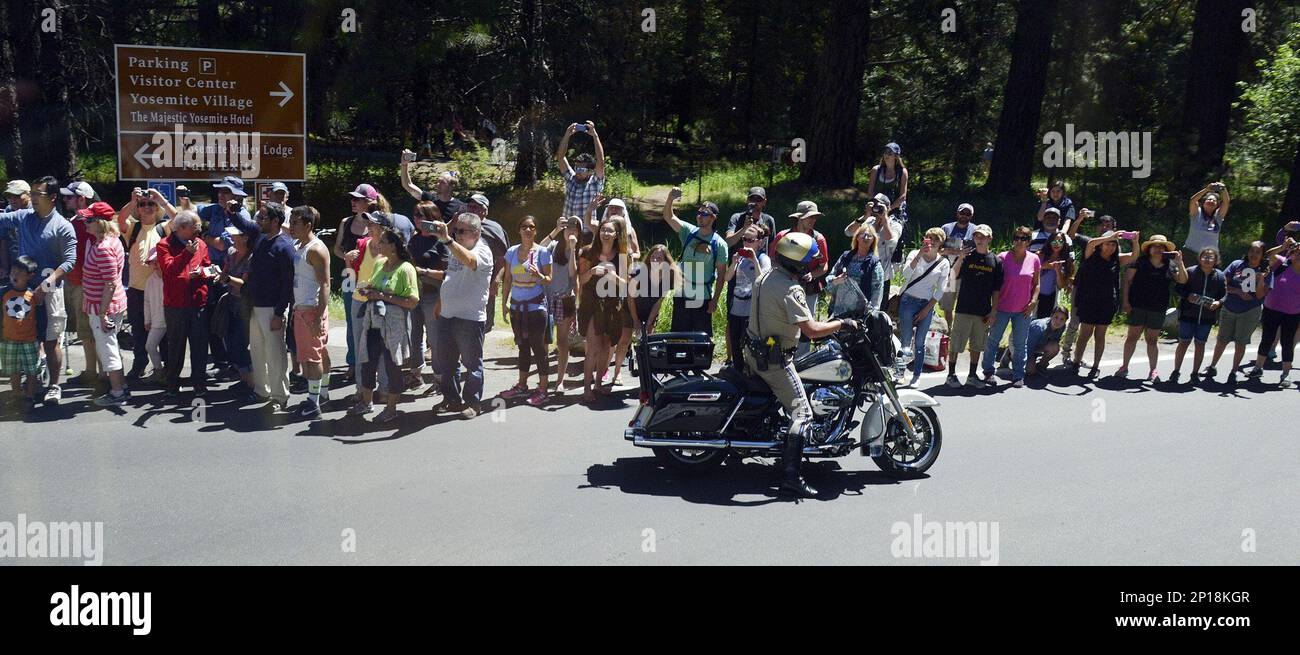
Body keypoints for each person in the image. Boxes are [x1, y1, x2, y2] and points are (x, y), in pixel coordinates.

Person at [745, 231, 856, 499]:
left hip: (755, 351)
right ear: (796, 263)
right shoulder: (790, 289)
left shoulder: (767, 275)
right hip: (775, 361)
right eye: (808, 262)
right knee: (803, 414)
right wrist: (843, 323)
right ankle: (791, 478)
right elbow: (813, 330)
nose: (812, 266)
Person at [0, 176, 76, 405]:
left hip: (50, 291)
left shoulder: (63, 226)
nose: (31, 198)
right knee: (24, 337)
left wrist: (47, 284)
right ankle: (30, 384)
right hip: (23, 291)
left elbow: (70, 261)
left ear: (52, 198)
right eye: (31, 194)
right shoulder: (24, 217)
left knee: (52, 340)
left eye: (37, 194)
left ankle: (54, 385)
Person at [349, 228, 419, 423]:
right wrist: (369, 290)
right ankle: (366, 402)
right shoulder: (380, 263)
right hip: (373, 321)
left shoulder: (406, 268)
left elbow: (413, 301)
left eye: (382, 242)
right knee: (367, 362)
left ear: (393, 246)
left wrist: (382, 296)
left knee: (392, 366)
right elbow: (375, 286)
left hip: (393, 324)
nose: (378, 245)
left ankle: (391, 408)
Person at [434, 213, 495, 419]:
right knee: (447, 363)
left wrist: (448, 240)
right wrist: (441, 303)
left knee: (472, 364)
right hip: (447, 314)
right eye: (455, 230)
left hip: (470, 318)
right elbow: (451, 277)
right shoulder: (456, 248)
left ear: (476, 233)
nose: (457, 235)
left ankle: (473, 403)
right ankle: (451, 399)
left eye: (462, 231)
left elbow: (469, 261)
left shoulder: (483, 250)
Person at [197, 176, 256, 373]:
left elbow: (222, 244)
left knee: (235, 322)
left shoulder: (242, 217)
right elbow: (192, 214)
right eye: (220, 191)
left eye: (226, 191)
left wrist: (204, 236)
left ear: (237, 196)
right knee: (217, 316)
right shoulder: (214, 209)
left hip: (235, 272)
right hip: (216, 269)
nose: (221, 195)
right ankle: (224, 361)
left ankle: (238, 366)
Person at [117, 187, 175, 379]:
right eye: (143, 204)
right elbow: (120, 220)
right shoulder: (133, 228)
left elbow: (180, 221)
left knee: (163, 332)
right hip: (136, 289)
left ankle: (166, 367)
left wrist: (162, 200)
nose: (147, 207)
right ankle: (139, 364)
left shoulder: (164, 227)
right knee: (138, 331)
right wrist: (132, 201)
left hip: (160, 290)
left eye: (151, 204)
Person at [156, 211, 214, 398]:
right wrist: (186, 254)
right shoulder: (164, 245)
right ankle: (172, 383)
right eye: (194, 226)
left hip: (198, 302)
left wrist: (203, 274)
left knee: (199, 346)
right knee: (176, 346)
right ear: (181, 228)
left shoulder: (202, 244)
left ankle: (199, 382)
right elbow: (170, 269)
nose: (199, 229)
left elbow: (209, 267)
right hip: (176, 305)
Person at [245, 202, 296, 411]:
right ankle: (262, 390)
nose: (258, 221)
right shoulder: (260, 240)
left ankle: (280, 396)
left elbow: (287, 284)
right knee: (257, 351)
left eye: (263, 218)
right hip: (255, 306)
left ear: (276, 221)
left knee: (275, 355)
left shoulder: (284, 246)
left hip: (272, 308)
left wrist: (279, 312)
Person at [1117, 234, 1188, 382]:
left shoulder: (1170, 264)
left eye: (1161, 247)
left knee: (1152, 340)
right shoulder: (1139, 262)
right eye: (1155, 246)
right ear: (1149, 248)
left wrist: (1179, 263)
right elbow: (1127, 281)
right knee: (1132, 337)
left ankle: (1153, 370)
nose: (1158, 249)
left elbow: (1183, 280)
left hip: (1158, 308)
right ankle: (1124, 366)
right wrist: (1125, 302)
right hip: (1138, 305)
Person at [500, 215, 555, 406]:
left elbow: (549, 279)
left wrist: (538, 274)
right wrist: (504, 303)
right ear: (519, 230)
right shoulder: (512, 252)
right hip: (517, 307)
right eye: (524, 226)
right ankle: (522, 385)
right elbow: (507, 279)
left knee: (539, 348)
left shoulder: (543, 252)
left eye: (532, 227)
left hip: (536, 307)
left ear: (536, 231)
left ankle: (543, 389)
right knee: (522, 347)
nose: (528, 230)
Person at [1072, 230, 1140, 377]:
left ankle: (1095, 366)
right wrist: (1110, 236)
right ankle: (1076, 362)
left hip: (1107, 302)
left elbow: (1134, 256)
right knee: (1084, 333)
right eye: (1107, 244)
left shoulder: (1116, 259)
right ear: (1101, 244)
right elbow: (1090, 243)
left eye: (1113, 245)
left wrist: (1135, 241)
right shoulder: (1091, 255)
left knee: (1100, 335)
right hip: (1088, 300)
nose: (1110, 247)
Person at [980, 226, 1041, 388]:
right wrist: (992, 308)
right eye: (1017, 238)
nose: (1019, 242)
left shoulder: (1034, 259)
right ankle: (988, 371)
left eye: (1024, 239)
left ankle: (1018, 374)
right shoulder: (1002, 257)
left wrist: (1033, 301)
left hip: (1023, 310)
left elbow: (1036, 284)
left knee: (1021, 343)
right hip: (1001, 307)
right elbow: (994, 284)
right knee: (993, 340)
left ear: (1029, 242)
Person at [662, 186, 727, 335]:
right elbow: (668, 216)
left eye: (705, 214)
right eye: (699, 213)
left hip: (702, 296)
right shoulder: (688, 231)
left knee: (699, 342)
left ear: (713, 218)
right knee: (678, 338)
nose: (700, 216)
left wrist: (715, 300)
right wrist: (670, 198)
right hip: (682, 293)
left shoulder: (719, 244)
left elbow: (721, 275)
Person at [578, 217, 630, 402]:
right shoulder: (587, 252)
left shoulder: (622, 256)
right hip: (592, 304)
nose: (605, 234)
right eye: (603, 230)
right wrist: (591, 272)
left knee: (607, 346)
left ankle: (598, 384)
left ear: (616, 235)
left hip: (612, 304)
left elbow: (626, 285)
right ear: (598, 232)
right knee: (592, 347)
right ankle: (586, 388)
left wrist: (613, 275)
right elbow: (581, 280)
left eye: (610, 231)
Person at [80, 215, 130, 406]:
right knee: (111, 347)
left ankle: (117, 393)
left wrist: (102, 314)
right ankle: (121, 387)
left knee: (108, 350)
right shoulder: (111, 240)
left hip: (103, 307)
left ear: (99, 222)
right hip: (108, 305)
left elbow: (109, 284)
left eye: (88, 220)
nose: (85, 224)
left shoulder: (103, 248)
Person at [289, 206, 332, 418]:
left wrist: (318, 316)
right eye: (290, 221)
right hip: (301, 309)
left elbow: (325, 284)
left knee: (313, 359)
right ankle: (322, 395)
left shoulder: (316, 249)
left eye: (295, 222)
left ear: (308, 225)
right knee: (318, 354)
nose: (291, 226)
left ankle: (314, 402)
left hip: (311, 311)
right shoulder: (301, 246)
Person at [945, 224, 1000, 388]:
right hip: (964, 308)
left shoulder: (996, 261)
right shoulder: (967, 256)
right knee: (956, 343)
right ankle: (951, 375)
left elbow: (997, 289)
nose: (979, 239)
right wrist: (960, 258)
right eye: (977, 236)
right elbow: (953, 275)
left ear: (990, 238)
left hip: (983, 310)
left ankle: (971, 375)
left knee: (977, 345)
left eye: (983, 236)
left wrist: (993, 310)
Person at [1206, 241, 1270, 381]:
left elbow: (1260, 295)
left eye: (1257, 252)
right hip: (1229, 308)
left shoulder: (1266, 271)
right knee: (1222, 340)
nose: (1253, 254)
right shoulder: (1237, 264)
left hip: (1250, 311)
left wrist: (1261, 280)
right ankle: (1212, 367)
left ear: (1262, 255)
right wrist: (1238, 292)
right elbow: (1222, 283)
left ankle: (1233, 372)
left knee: (1240, 342)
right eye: (1251, 251)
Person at [59, 181, 100, 389]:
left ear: (81, 198)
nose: (65, 200)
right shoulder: (81, 219)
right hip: (78, 280)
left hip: (85, 282)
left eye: (69, 197)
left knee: (89, 329)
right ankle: (93, 371)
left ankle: (98, 374)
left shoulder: (84, 220)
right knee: (87, 329)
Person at [1059, 208, 1114, 365]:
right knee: (1075, 322)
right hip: (1082, 288)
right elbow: (1069, 236)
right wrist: (1079, 219)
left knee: (1089, 328)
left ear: (1113, 229)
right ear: (1097, 228)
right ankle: (1066, 355)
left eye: (1108, 225)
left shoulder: (1114, 248)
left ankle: (1078, 357)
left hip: (1100, 294)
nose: (1104, 227)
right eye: (1102, 225)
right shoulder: (1089, 241)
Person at [333, 183, 378, 376]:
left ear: (369, 202)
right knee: (352, 324)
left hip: (372, 280)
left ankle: (373, 363)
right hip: (350, 278)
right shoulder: (346, 222)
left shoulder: (377, 222)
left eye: (357, 199)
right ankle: (353, 363)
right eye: (352, 198)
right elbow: (336, 248)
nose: (353, 202)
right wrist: (345, 256)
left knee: (374, 323)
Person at [897, 228, 951, 387]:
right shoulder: (914, 254)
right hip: (908, 300)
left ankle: (916, 375)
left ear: (941, 242)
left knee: (920, 342)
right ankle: (900, 372)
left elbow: (941, 289)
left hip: (926, 304)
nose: (931, 241)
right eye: (928, 238)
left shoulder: (943, 262)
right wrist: (920, 254)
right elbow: (906, 274)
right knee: (906, 340)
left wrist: (927, 309)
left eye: (935, 239)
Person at [407, 202, 450, 390]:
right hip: (414, 294)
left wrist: (423, 271)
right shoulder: (414, 239)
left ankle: (439, 379)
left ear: (431, 218)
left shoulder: (441, 242)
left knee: (434, 338)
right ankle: (415, 374)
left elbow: (447, 274)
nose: (416, 219)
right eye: (415, 215)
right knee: (413, 336)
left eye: (420, 215)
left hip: (434, 295)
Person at [1245, 239, 1299, 386]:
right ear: (1292, 254)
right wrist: (1283, 246)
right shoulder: (1282, 263)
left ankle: (1285, 374)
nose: (1298, 255)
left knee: (1287, 343)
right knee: (1266, 339)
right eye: (1296, 253)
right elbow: (1268, 255)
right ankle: (1257, 368)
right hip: (1271, 309)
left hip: (1292, 314)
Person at [1171, 247, 1227, 383]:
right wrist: (1187, 296)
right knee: (1183, 343)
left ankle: (1195, 373)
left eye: (1210, 257)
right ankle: (1176, 371)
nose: (1207, 259)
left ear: (1216, 260)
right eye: (1204, 256)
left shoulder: (1220, 276)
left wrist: (1219, 303)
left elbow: (1225, 294)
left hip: (1207, 317)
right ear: (1200, 258)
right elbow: (1178, 288)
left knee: (1200, 345)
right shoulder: (1190, 271)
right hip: (1188, 314)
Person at [539, 215, 582, 390]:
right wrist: (555, 230)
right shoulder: (553, 246)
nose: (571, 231)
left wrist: (572, 250)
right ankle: (543, 380)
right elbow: (538, 248)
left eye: (575, 228)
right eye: (568, 227)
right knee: (544, 341)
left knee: (562, 343)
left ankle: (559, 381)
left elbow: (573, 274)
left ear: (579, 233)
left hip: (565, 300)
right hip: (547, 300)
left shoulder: (579, 252)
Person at [213, 226, 253, 394]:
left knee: (240, 345)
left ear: (245, 238)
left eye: (234, 235)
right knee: (230, 343)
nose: (231, 238)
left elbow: (244, 284)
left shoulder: (252, 258)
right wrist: (218, 276)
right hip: (230, 302)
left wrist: (227, 278)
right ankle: (244, 379)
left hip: (245, 307)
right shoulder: (231, 252)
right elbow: (225, 273)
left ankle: (251, 383)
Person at [724, 225, 771, 368]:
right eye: (744, 239)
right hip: (736, 307)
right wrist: (733, 263)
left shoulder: (763, 259)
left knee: (750, 345)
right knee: (735, 342)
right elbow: (727, 278)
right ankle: (738, 369)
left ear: (760, 242)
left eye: (751, 240)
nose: (746, 243)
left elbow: (762, 281)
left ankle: (751, 370)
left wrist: (754, 260)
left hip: (751, 309)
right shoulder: (740, 258)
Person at [465, 193, 510, 333]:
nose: (471, 210)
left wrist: (496, 280)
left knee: (484, 322)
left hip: (485, 280)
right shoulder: (460, 226)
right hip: (464, 279)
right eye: (469, 207)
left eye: (475, 207)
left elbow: (504, 257)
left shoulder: (493, 228)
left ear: (485, 210)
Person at [1, 256, 42, 405]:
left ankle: (29, 396)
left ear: (30, 275)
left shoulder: (33, 295)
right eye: (13, 271)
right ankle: (16, 394)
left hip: (29, 340)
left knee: (32, 371)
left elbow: (41, 317)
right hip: (8, 339)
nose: (14, 275)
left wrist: (41, 336)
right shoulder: (3, 292)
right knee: (13, 370)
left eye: (19, 272)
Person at [554, 121, 607, 234]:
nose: (578, 172)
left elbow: (601, 161)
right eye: (576, 168)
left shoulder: (595, 183)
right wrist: (567, 135)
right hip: (567, 232)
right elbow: (560, 157)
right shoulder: (571, 179)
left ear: (590, 171)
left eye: (581, 169)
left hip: (586, 233)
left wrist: (595, 136)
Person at [846, 195, 900, 304]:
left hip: (882, 276)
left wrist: (884, 219)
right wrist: (865, 216)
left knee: (877, 312)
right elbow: (848, 232)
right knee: (857, 308)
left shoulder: (895, 224)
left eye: (880, 205)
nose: (877, 207)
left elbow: (892, 242)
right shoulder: (868, 220)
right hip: (861, 272)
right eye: (874, 204)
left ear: (888, 207)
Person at [771, 201, 830, 298]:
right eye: (810, 216)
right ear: (799, 217)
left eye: (815, 217)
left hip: (809, 289)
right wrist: (787, 274)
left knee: (806, 314)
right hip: (783, 287)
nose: (813, 220)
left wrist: (812, 274)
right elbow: (772, 260)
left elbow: (824, 266)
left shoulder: (819, 239)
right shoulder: (783, 236)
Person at [938, 203, 978, 325]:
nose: (964, 216)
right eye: (962, 213)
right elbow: (938, 250)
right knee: (947, 306)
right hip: (949, 274)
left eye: (967, 214)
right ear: (957, 213)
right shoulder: (946, 228)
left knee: (965, 305)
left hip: (967, 274)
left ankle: (960, 329)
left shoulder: (976, 230)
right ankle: (949, 329)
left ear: (971, 216)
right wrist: (956, 251)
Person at [830, 222, 884, 311]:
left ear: (873, 240)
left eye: (869, 236)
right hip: (837, 309)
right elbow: (829, 279)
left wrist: (872, 313)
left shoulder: (875, 263)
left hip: (859, 314)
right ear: (857, 237)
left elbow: (877, 292)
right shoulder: (845, 257)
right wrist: (836, 280)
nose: (866, 238)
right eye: (863, 234)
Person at [629, 245, 677, 339]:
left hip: (649, 311)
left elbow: (658, 303)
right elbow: (630, 298)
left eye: (659, 258)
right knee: (624, 340)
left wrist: (649, 323)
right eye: (653, 257)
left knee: (647, 340)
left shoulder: (667, 277)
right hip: (631, 308)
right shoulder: (638, 272)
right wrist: (635, 320)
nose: (655, 260)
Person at [867, 142, 909, 228]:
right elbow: (870, 192)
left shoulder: (902, 172)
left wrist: (888, 209)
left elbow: (903, 196)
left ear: (896, 156)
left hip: (894, 210)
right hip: (876, 209)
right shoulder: (876, 170)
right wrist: (876, 207)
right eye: (885, 152)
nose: (887, 155)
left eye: (890, 153)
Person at [725, 187, 777, 254]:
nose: (755, 203)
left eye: (758, 199)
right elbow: (728, 243)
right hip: (738, 261)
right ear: (747, 200)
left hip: (759, 262)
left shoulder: (769, 220)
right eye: (752, 199)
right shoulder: (737, 218)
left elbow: (772, 247)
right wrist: (744, 228)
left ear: (764, 202)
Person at [142, 250, 167, 384]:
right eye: (153, 262)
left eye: (158, 261)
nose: (156, 264)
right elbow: (147, 302)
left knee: (172, 349)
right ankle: (159, 370)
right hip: (157, 320)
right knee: (150, 345)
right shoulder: (150, 280)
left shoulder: (169, 277)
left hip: (171, 318)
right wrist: (148, 320)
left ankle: (170, 373)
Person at [1185, 182, 1230, 255]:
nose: (1211, 201)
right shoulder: (1197, 212)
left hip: (1210, 254)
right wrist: (1206, 190)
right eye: (1209, 199)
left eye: (1214, 200)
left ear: (1217, 205)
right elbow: (1192, 201)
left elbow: (1226, 202)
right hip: (1191, 252)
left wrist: (1223, 189)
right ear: (1203, 202)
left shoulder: (1218, 216)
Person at [1036, 232, 1074, 319]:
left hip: (1050, 296)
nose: (1056, 244)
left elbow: (1060, 286)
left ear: (1064, 244)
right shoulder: (1040, 255)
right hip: (1034, 293)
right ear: (1049, 242)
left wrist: (1057, 270)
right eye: (1054, 241)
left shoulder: (1065, 261)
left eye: (1060, 241)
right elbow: (1030, 271)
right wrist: (1044, 266)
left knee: (1044, 321)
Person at [1022, 306, 1069, 375]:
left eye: (1062, 319)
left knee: (1055, 347)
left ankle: (1041, 366)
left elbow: (1054, 342)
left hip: (1037, 345)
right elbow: (1028, 346)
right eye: (1056, 317)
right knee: (1030, 370)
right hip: (1023, 345)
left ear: (1065, 321)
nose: (1058, 321)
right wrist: (1030, 360)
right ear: (1051, 316)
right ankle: (1010, 354)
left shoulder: (1062, 327)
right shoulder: (1039, 327)